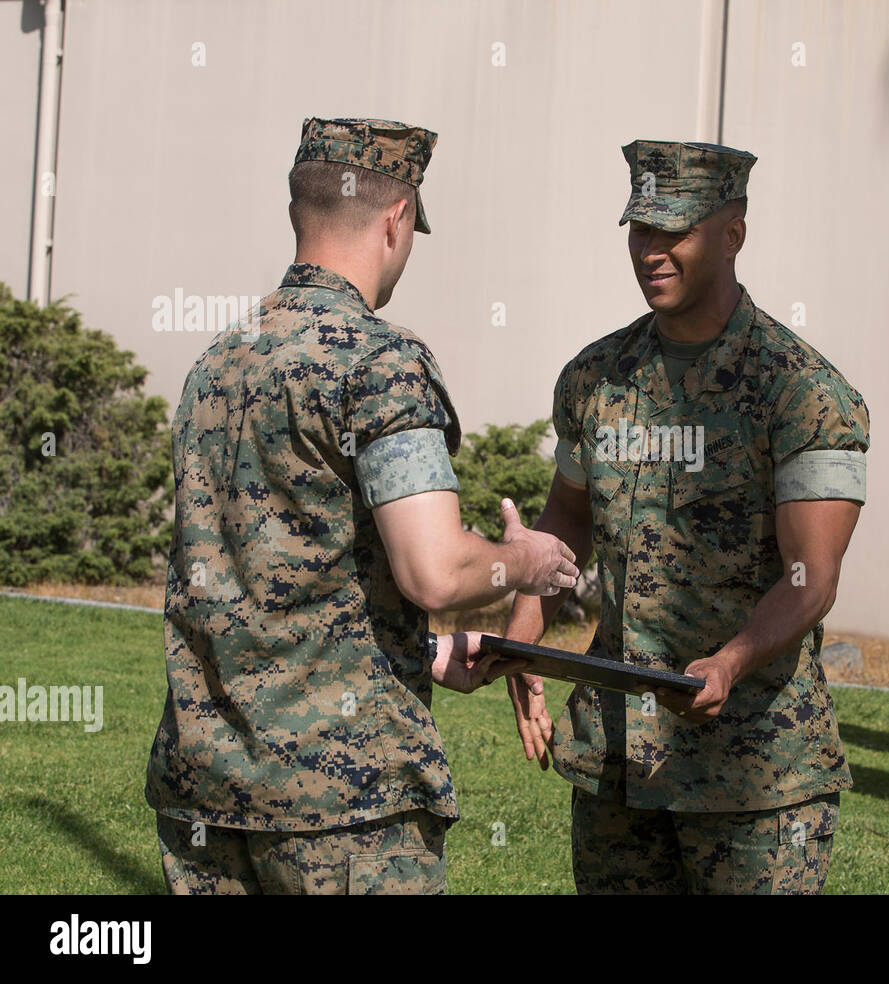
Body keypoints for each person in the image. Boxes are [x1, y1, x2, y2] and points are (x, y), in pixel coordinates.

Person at [145, 118, 578, 894]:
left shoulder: (216, 364)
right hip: (344, 812)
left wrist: (425, 653)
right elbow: (437, 573)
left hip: (205, 792)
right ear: (397, 219)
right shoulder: (380, 361)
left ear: (296, 214)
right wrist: (527, 561)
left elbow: (271, 574)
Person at [504, 139, 870, 894]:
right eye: (640, 231)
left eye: (675, 233)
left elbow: (812, 577)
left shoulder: (803, 393)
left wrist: (731, 661)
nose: (651, 252)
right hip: (619, 760)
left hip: (755, 772)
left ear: (732, 234)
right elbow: (566, 517)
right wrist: (525, 628)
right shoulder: (596, 379)